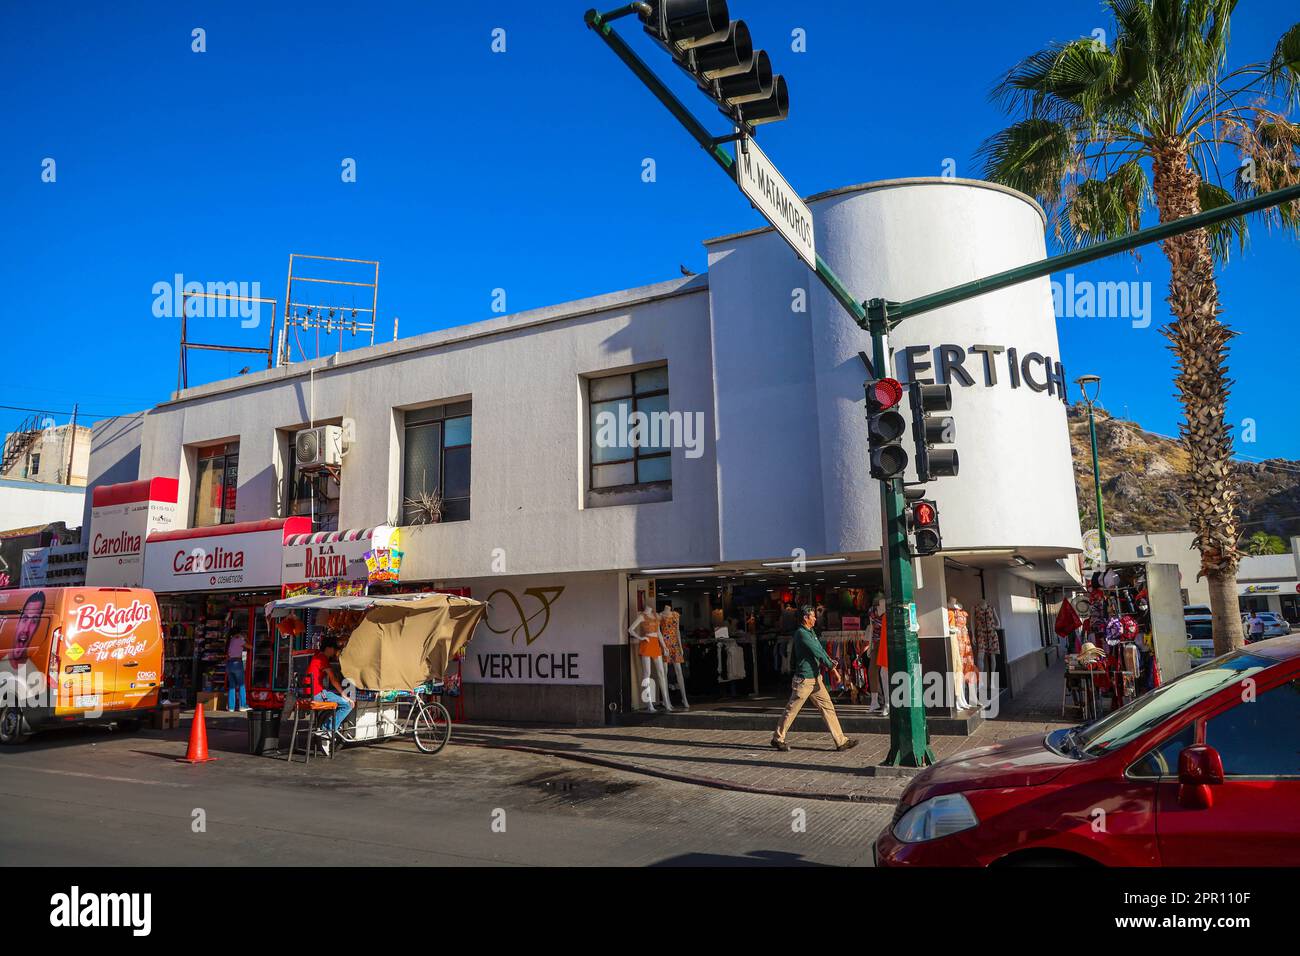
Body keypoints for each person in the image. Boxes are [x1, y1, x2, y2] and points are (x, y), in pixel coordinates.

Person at [771, 606, 859, 753]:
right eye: (813, 616)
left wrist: (832, 667)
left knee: (828, 707)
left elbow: (821, 649)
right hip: (804, 680)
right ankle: (778, 738)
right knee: (792, 709)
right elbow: (817, 651)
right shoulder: (801, 633)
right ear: (805, 618)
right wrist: (831, 666)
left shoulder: (810, 632)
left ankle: (841, 741)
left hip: (815, 678)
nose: (815, 618)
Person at [306, 638, 352, 754]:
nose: (334, 653)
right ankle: (326, 730)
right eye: (334, 650)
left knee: (335, 697)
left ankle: (326, 729)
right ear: (329, 648)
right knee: (348, 704)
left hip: (308, 694)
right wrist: (344, 694)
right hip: (317, 694)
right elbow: (333, 680)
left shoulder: (317, 655)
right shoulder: (322, 659)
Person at [7, 591, 46, 666]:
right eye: (25, 619)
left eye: (34, 621)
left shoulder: (36, 673)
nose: (26, 629)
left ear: (37, 627)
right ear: (18, 621)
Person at [225, 627, 248, 712]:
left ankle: (231, 707)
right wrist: (246, 638)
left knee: (232, 686)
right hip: (237, 663)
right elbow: (250, 647)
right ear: (239, 633)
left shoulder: (230, 640)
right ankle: (243, 705)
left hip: (229, 664)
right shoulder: (239, 640)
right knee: (241, 685)